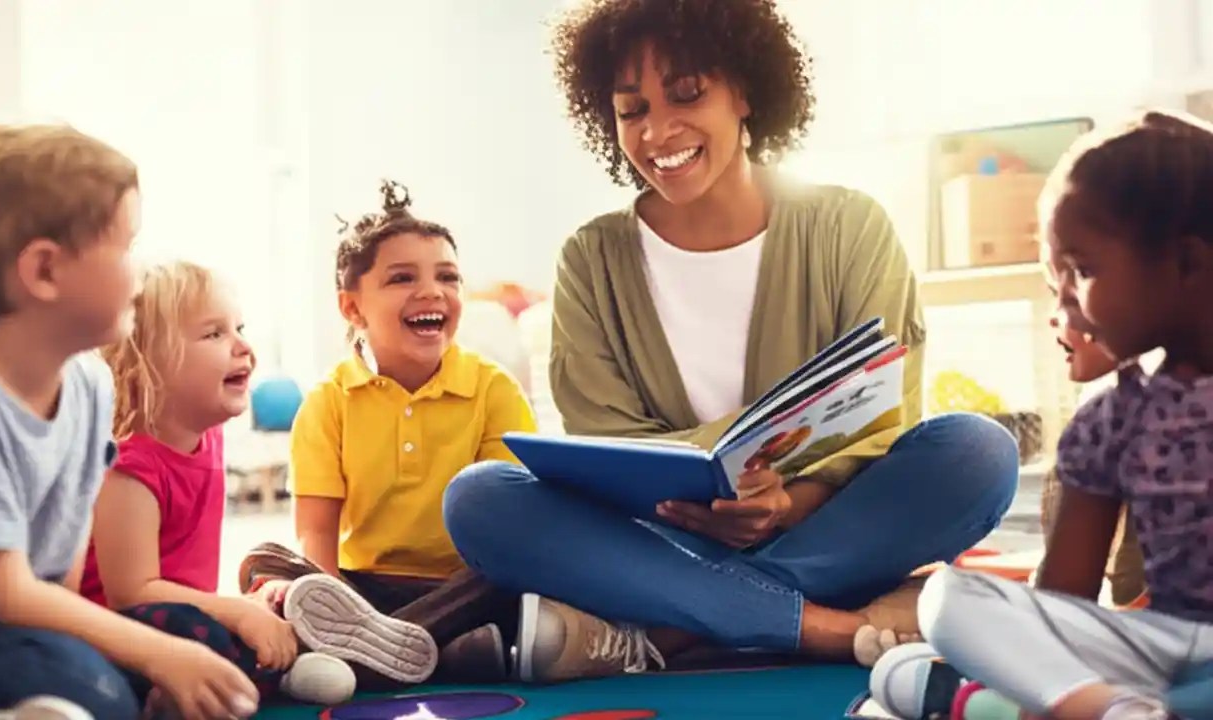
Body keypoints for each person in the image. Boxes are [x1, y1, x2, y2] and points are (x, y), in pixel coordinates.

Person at [442, 0, 1020, 683]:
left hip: (823, 520)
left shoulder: (849, 226)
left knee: (978, 452)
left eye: (687, 94)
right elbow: (602, 440)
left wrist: (788, 502)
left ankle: (664, 632)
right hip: (662, 536)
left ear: (744, 91)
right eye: (632, 111)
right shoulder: (590, 260)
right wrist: (710, 509)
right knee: (479, 499)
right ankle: (829, 627)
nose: (658, 131)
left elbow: (884, 413)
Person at [888, 110, 1213, 720]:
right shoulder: (1107, 426)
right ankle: (1107, 709)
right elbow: (1062, 610)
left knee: (909, 681)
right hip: (1162, 651)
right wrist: (1046, 671)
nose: (1067, 303)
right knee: (950, 600)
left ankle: (986, 705)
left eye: (1081, 272)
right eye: (1055, 278)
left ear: (1189, 264)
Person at [0, 124, 257, 719]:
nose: (139, 271)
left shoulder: (88, 384)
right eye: (126, 245)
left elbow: (62, 574)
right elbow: (3, 593)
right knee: (91, 686)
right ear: (45, 272)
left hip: (26, 627)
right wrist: (153, 656)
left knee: (186, 645)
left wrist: (152, 649)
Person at [240, 180, 538, 685]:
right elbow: (316, 537)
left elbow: (510, 527)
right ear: (353, 308)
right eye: (402, 278)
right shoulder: (327, 402)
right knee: (263, 565)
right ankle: (434, 652)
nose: (432, 291)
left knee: (523, 575)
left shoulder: (494, 390)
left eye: (448, 277)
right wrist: (324, 600)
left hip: (467, 587)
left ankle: (375, 652)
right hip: (364, 590)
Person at [83, 259, 357, 706]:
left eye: (239, 327)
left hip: (183, 612)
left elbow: (187, 583)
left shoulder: (209, 438)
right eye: (214, 334)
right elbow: (130, 593)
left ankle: (264, 664)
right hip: (123, 638)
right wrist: (234, 612)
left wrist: (249, 607)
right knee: (210, 632)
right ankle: (251, 677)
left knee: (279, 599)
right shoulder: (129, 466)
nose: (243, 346)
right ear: (147, 363)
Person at [1035, 259, 1147, 608]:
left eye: (1079, 283)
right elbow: (1061, 604)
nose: (1057, 315)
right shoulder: (1097, 428)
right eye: (1056, 293)